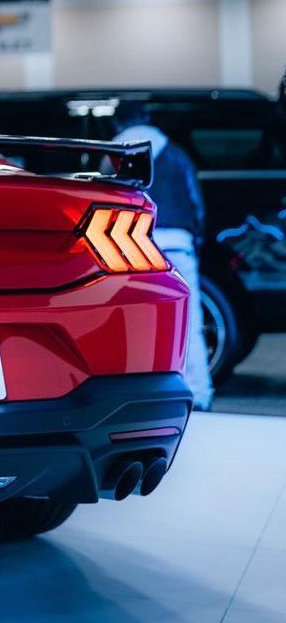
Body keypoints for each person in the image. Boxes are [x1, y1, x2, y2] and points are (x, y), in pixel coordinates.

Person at [113, 100, 214, 410]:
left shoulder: (116, 154)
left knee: (134, 322)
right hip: (179, 244)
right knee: (190, 320)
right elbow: (196, 202)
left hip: (135, 246)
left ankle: (140, 395)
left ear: (117, 124)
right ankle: (199, 392)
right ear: (147, 119)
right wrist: (194, 238)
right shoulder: (177, 153)